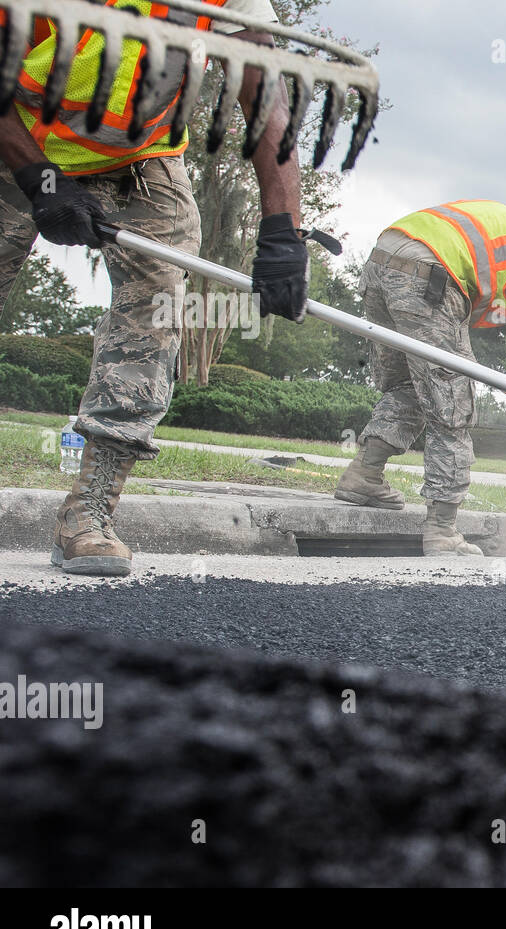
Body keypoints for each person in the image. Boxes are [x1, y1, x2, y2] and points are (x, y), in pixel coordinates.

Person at [0, 0, 308, 576]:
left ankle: (87, 511)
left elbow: (264, 89)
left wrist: (283, 230)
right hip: (17, 146)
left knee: (153, 323)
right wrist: (41, 180)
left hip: (142, 161)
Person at [333, 201, 506, 557]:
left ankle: (364, 474)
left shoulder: (502, 228)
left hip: (382, 262)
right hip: (428, 276)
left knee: (412, 384)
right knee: (454, 402)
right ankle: (442, 530)